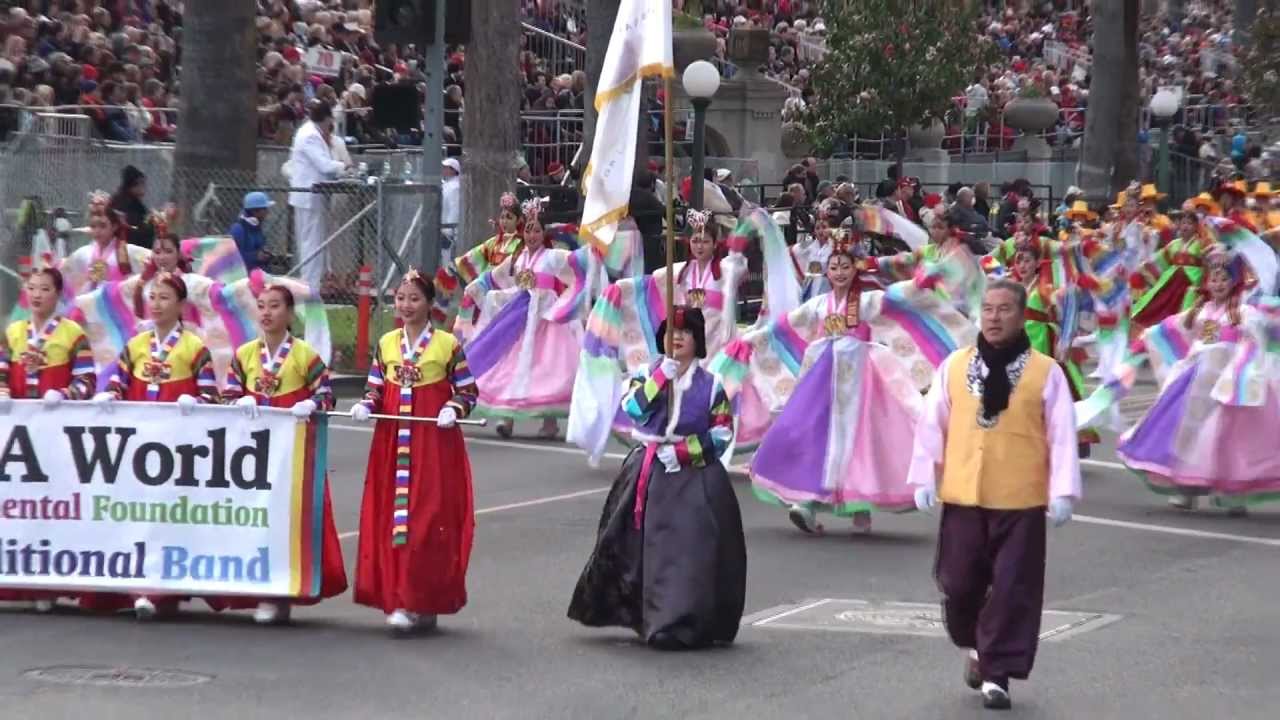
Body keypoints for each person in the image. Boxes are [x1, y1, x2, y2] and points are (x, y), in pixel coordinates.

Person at [909, 280, 1081, 711]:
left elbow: (1062, 436)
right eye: (987, 309)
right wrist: (924, 477)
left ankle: (997, 671)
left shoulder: (1046, 372)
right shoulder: (954, 365)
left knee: (1012, 587)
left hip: (1020, 499)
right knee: (960, 580)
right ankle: (975, 644)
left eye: (1004, 310)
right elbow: (932, 423)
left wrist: (1063, 491)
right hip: (964, 493)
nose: (994, 317)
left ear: (1021, 316)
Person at [567, 306, 746, 650]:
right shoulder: (645, 373)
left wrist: (684, 452)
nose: (676, 338)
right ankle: (639, 614)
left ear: (697, 340)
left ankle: (679, 621)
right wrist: (659, 378)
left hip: (694, 477)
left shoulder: (711, 386)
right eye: (670, 332)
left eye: (685, 333)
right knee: (635, 546)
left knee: (687, 548)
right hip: (646, 471)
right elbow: (633, 408)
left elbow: (723, 433)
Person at [751, 244, 949, 535]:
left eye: (845, 266)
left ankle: (860, 505)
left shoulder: (867, 302)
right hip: (821, 380)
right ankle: (806, 504)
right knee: (811, 436)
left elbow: (898, 297)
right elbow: (785, 325)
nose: (840, 272)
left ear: (854, 268)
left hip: (861, 381)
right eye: (834, 267)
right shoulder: (819, 305)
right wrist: (750, 340)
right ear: (827, 272)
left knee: (863, 442)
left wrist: (921, 282)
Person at [86, 272, 221, 619]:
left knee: (167, 517)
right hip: (137, 448)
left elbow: (212, 396)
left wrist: (196, 401)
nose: (156, 304)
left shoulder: (195, 348)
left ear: (180, 305)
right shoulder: (136, 345)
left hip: (177, 451)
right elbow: (118, 382)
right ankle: (137, 586)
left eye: (164, 297)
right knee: (135, 514)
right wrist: (108, 394)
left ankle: (161, 589)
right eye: (152, 297)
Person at [349, 269, 477, 633]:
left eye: (414, 299)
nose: (406, 305)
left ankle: (426, 597)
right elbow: (375, 388)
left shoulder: (447, 345)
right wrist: (366, 405)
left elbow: (467, 391)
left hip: (433, 446)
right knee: (393, 519)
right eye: (400, 298)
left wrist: (453, 408)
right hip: (392, 445)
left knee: (426, 521)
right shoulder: (387, 343)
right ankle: (401, 598)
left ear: (430, 303)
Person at [1113, 245, 1280, 514]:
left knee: (1230, 439)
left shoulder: (1243, 313)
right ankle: (1186, 488)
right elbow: (1199, 338)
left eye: (1224, 278)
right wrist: (1151, 335)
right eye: (1213, 278)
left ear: (1234, 281)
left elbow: (1260, 334)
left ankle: (1233, 494)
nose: (1218, 284)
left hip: (1231, 383)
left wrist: (1261, 329)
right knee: (1190, 433)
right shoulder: (1206, 312)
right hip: (1201, 378)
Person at [216, 284, 348, 624]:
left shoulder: (306, 355)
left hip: (293, 455)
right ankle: (262, 590)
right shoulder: (244, 354)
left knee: (287, 521)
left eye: (275, 306)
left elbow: (328, 396)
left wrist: (312, 403)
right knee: (255, 519)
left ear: (289, 314)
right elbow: (227, 394)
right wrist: (237, 400)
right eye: (261, 306)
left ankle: (281, 592)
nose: (267, 313)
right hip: (251, 456)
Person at [0, 266, 95, 612]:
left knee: (52, 508)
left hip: (56, 436)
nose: (37, 295)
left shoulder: (73, 334)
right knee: (15, 507)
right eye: (32, 288)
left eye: (45, 289)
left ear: (58, 295)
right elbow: (1, 370)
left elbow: (87, 383)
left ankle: (48, 583)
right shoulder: (12, 332)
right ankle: (18, 579)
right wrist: (3, 390)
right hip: (16, 439)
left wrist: (65, 395)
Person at [460, 199, 595, 440]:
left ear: (544, 233)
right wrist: (477, 288)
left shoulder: (553, 257)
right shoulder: (517, 258)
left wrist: (594, 248)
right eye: (529, 230)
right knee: (511, 367)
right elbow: (496, 276)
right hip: (519, 323)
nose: (532, 235)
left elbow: (579, 266)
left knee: (547, 371)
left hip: (547, 323)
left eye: (537, 230)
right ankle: (507, 418)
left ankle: (550, 421)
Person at [287, 101, 347, 290]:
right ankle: (309, 289)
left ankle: (310, 286)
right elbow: (324, 165)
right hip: (309, 198)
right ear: (327, 118)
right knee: (312, 245)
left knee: (312, 243)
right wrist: (344, 166)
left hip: (312, 197)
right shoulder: (310, 135)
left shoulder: (309, 132)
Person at [60, 191, 150, 297]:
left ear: (115, 226)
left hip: (117, 307)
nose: (97, 231)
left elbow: (151, 266)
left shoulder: (127, 252)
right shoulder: (83, 253)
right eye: (93, 226)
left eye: (102, 226)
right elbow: (64, 275)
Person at [109, 164, 153, 248]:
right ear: (133, 185)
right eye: (142, 183)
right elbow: (135, 229)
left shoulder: (133, 202)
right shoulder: (124, 204)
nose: (144, 187)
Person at [229, 191, 275, 272]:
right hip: (243, 277)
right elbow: (231, 258)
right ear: (255, 211)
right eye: (264, 209)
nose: (268, 212)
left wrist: (264, 255)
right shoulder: (238, 229)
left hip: (258, 273)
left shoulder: (256, 226)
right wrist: (255, 257)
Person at [441, 158, 462, 264]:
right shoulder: (446, 184)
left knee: (448, 260)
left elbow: (455, 209)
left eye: (446, 168)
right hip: (442, 227)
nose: (443, 170)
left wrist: (448, 231)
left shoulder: (455, 187)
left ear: (454, 170)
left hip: (448, 230)